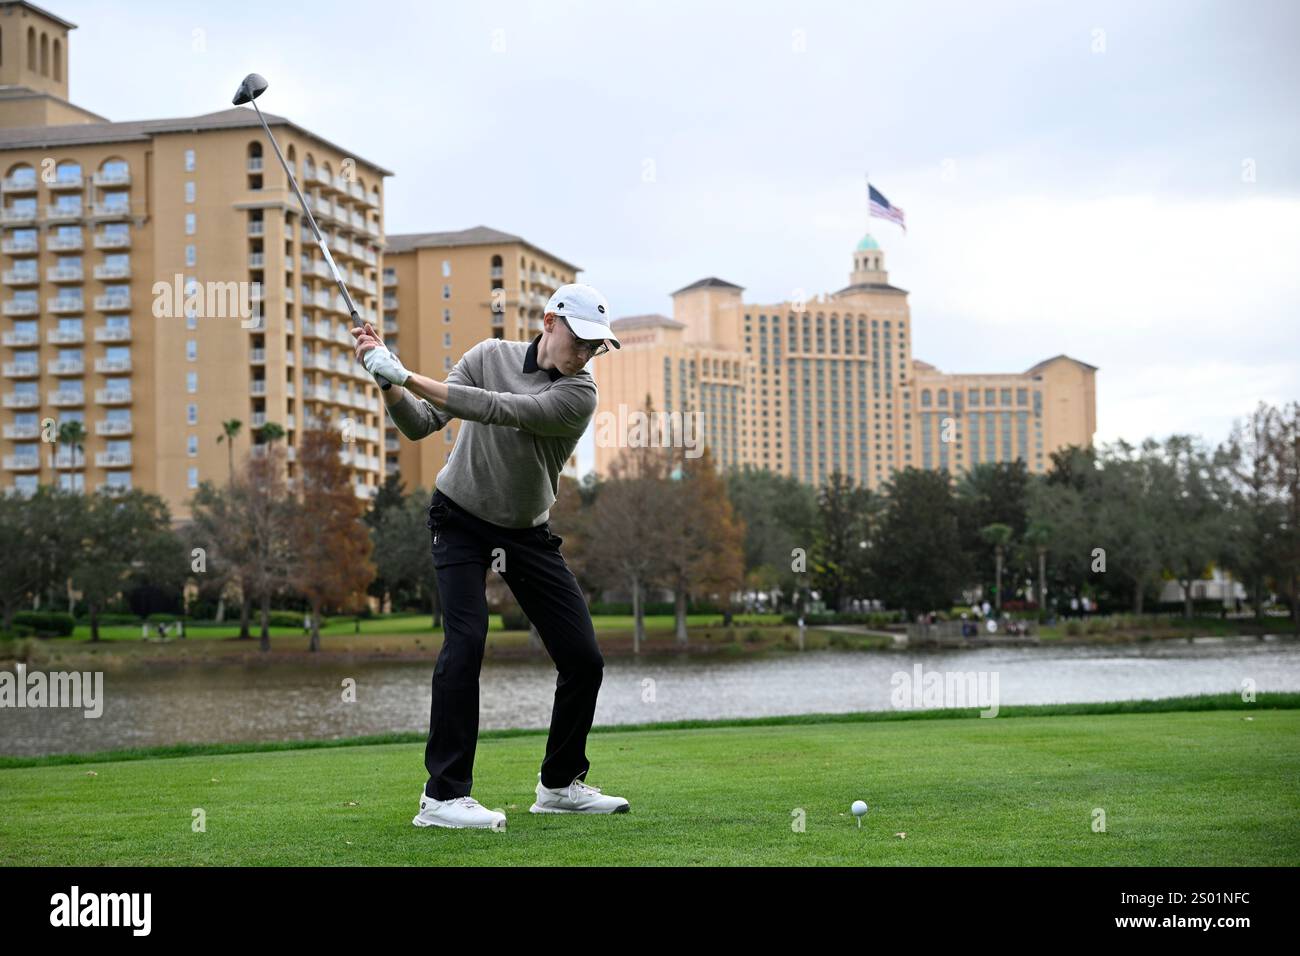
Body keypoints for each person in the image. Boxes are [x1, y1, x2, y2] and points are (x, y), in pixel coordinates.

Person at [353, 283, 629, 831]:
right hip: (458, 519)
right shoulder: (487, 355)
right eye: (581, 340)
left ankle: (559, 785)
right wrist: (388, 385)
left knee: (584, 659)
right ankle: (443, 797)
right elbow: (420, 425)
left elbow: (501, 410)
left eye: (597, 346)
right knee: (466, 640)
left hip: (527, 533)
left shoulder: (580, 394)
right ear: (550, 322)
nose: (586, 353)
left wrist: (406, 373)